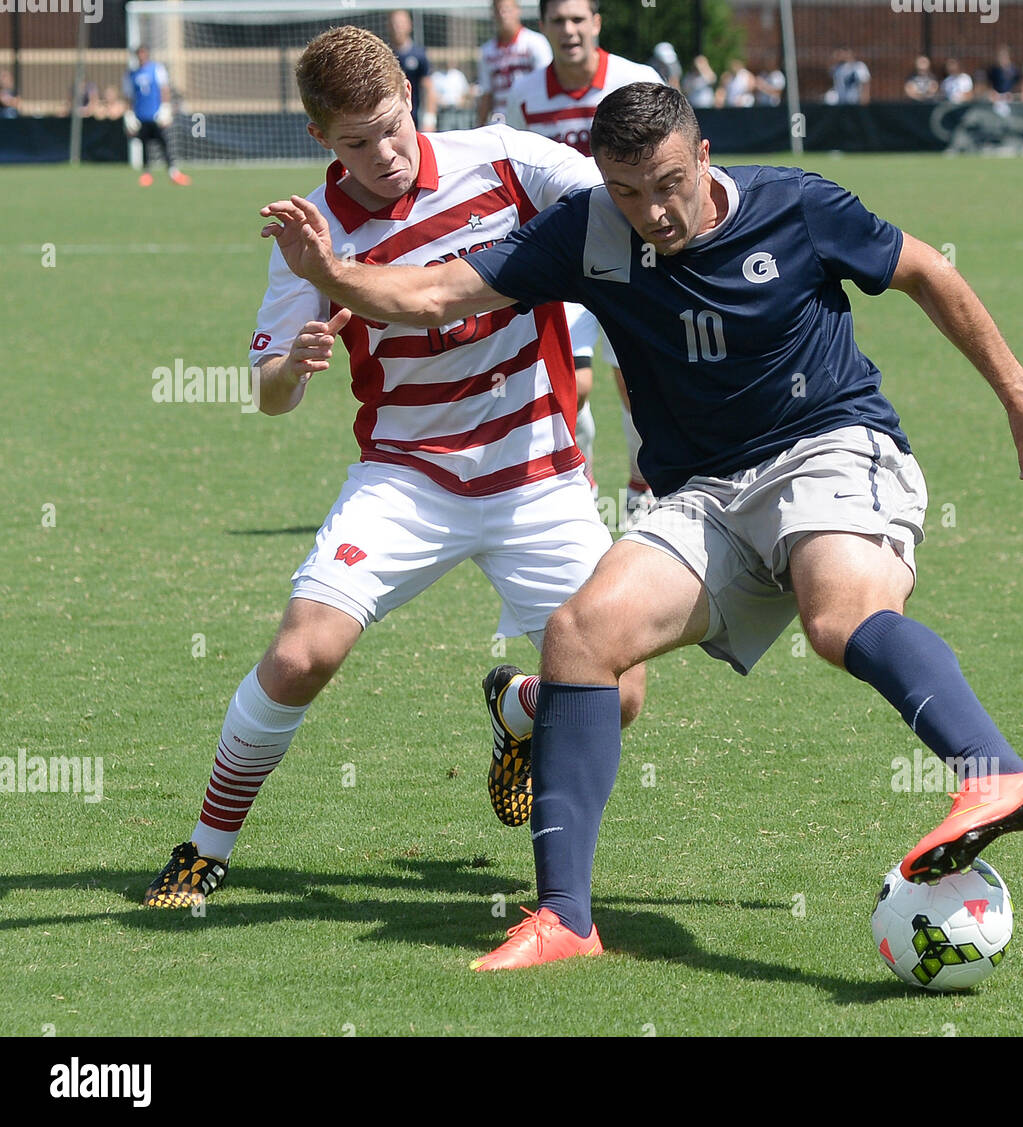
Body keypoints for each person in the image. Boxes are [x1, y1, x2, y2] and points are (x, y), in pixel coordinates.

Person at [262, 82, 1023, 970]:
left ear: (704, 154)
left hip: (829, 447)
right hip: (703, 495)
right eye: (628, 191)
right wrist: (329, 275)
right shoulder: (584, 232)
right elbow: (434, 296)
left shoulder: (796, 205)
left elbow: (926, 270)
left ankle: (992, 768)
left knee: (836, 619)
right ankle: (566, 920)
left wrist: (1020, 392)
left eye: (669, 183)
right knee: (578, 637)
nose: (652, 211)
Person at [141, 26, 646, 909]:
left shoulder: (502, 159)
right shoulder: (313, 230)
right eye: (354, 141)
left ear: (412, 101)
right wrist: (289, 368)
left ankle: (521, 708)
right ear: (319, 140)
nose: (382, 154)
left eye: (390, 126)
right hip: (407, 477)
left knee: (621, 694)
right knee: (302, 654)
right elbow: (267, 395)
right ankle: (206, 846)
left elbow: (622, 197)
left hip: (540, 474)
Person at [505, 0, 662, 521]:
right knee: (572, 385)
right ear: (544, 27)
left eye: (578, 19)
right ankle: (582, 489)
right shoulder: (525, 95)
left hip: (636, 254)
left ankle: (643, 489)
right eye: (557, 21)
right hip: (565, 259)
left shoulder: (635, 79)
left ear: (596, 22)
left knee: (635, 383)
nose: (569, 30)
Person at [476, 0, 551, 126]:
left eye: (507, 10)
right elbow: (486, 94)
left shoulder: (536, 43)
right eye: (498, 10)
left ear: (518, 10)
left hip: (530, 117)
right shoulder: (486, 51)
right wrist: (479, 126)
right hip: (499, 122)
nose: (502, 15)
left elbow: (546, 83)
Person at [123, 46, 189, 187]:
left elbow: (164, 89)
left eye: (143, 53)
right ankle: (146, 175)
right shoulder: (131, 74)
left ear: (147, 54)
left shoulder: (156, 69)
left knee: (164, 144)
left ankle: (173, 173)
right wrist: (129, 116)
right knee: (144, 146)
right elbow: (128, 97)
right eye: (139, 54)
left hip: (156, 115)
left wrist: (165, 109)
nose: (141, 56)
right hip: (141, 116)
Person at [388, 9, 435, 132]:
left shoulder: (419, 54)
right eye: (394, 24)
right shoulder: (385, 55)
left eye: (400, 23)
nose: (397, 27)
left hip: (414, 118)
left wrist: (429, 119)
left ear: (409, 25)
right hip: (389, 120)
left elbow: (428, 88)